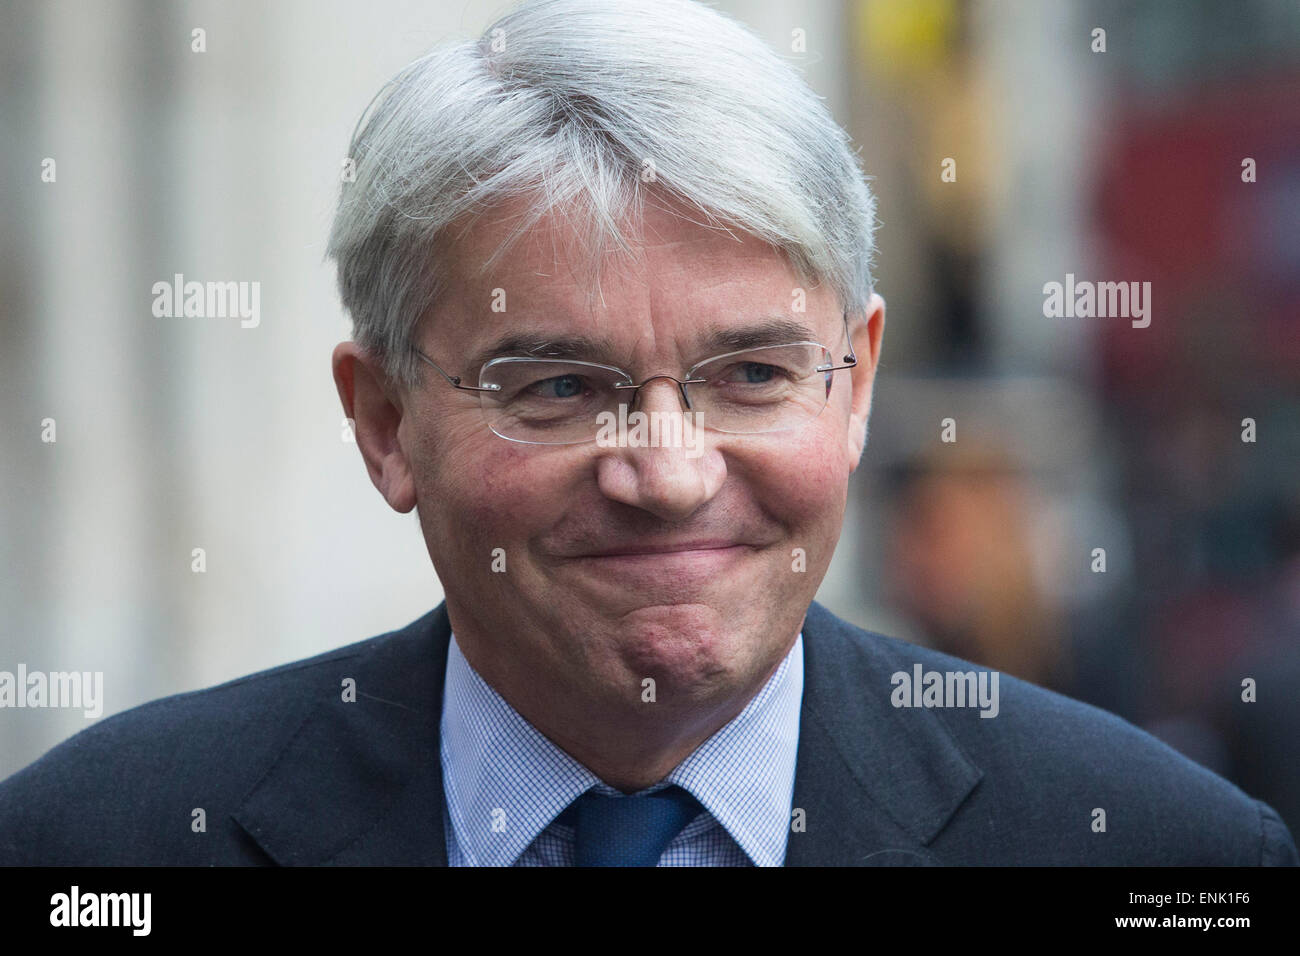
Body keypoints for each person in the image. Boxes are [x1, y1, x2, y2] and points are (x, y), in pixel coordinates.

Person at [0, 0, 1294, 867]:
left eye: (749, 374)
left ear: (855, 390)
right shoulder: (97, 848)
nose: (668, 475)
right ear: (384, 422)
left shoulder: (1151, 855)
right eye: (555, 388)